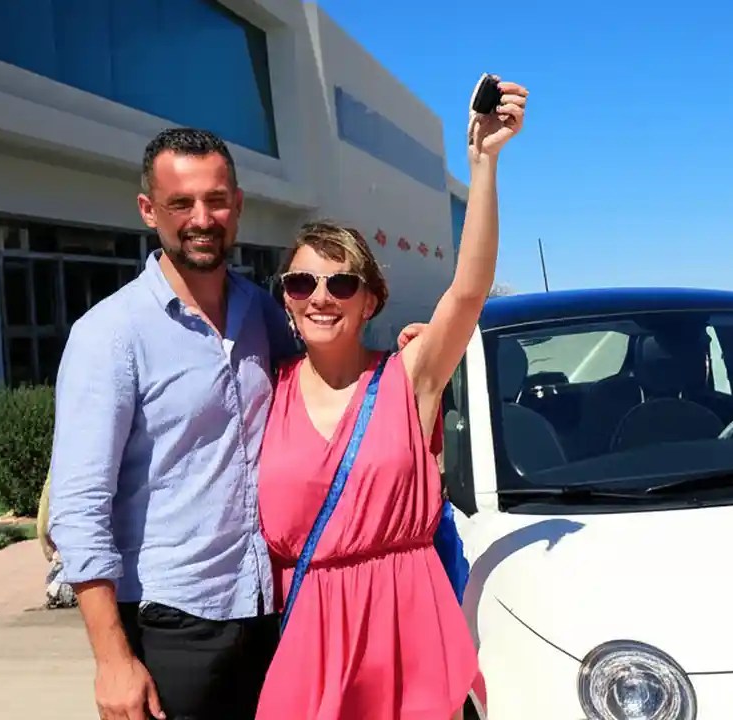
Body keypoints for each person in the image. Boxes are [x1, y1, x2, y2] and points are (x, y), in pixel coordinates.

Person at [46, 127, 436, 720]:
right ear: (149, 210)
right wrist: (112, 659)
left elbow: (327, 370)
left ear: (238, 205)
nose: (202, 218)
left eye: (216, 199)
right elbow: (79, 510)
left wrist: (401, 354)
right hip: (172, 622)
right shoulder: (109, 335)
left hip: (273, 612)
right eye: (181, 203)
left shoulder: (264, 310)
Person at [254, 77, 528, 720]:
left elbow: (467, 292)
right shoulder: (263, 390)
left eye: (341, 282)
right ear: (286, 298)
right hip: (308, 637)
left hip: (409, 624)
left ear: (370, 298)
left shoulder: (410, 377)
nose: (320, 296)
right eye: (301, 282)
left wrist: (483, 163)